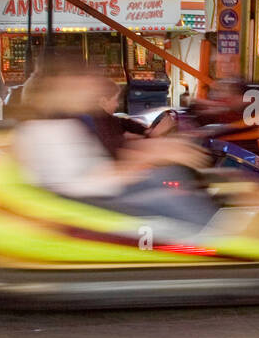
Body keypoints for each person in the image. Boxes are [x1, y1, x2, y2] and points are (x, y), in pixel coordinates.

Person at [13, 52, 216, 228]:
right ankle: (219, 246)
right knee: (169, 195)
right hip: (85, 208)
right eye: (82, 80)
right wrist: (144, 160)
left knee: (169, 175)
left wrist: (151, 154)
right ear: (63, 87)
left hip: (96, 196)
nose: (91, 87)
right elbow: (85, 185)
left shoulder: (73, 122)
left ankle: (213, 234)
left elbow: (107, 158)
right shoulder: (48, 130)